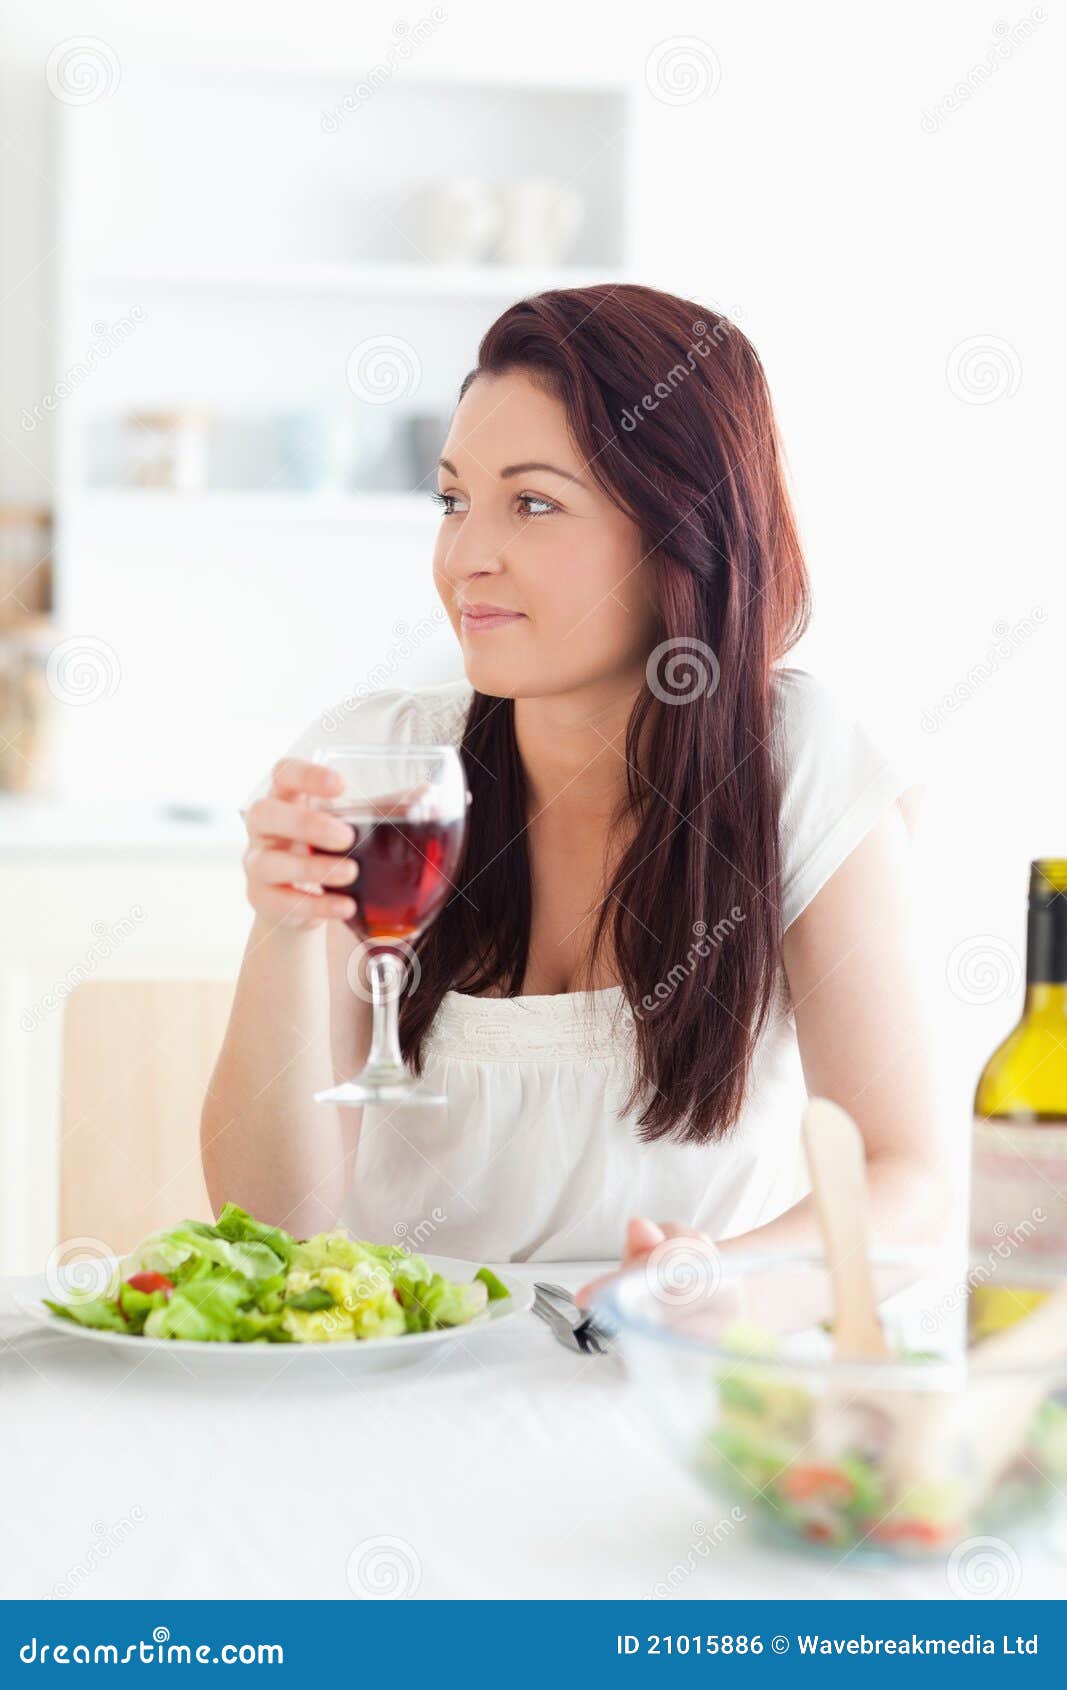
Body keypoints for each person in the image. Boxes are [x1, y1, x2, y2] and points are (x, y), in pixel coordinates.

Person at [202, 284, 948, 1279]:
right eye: (452, 501)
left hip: (671, 1363)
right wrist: (287, 930)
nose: (464, 557)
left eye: (533, 504)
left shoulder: (794, 762)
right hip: (405, 1364)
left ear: (681, 530)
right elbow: (270, 1227)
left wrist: (716, 1281)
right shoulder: (381, 769)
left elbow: (903, 1178)